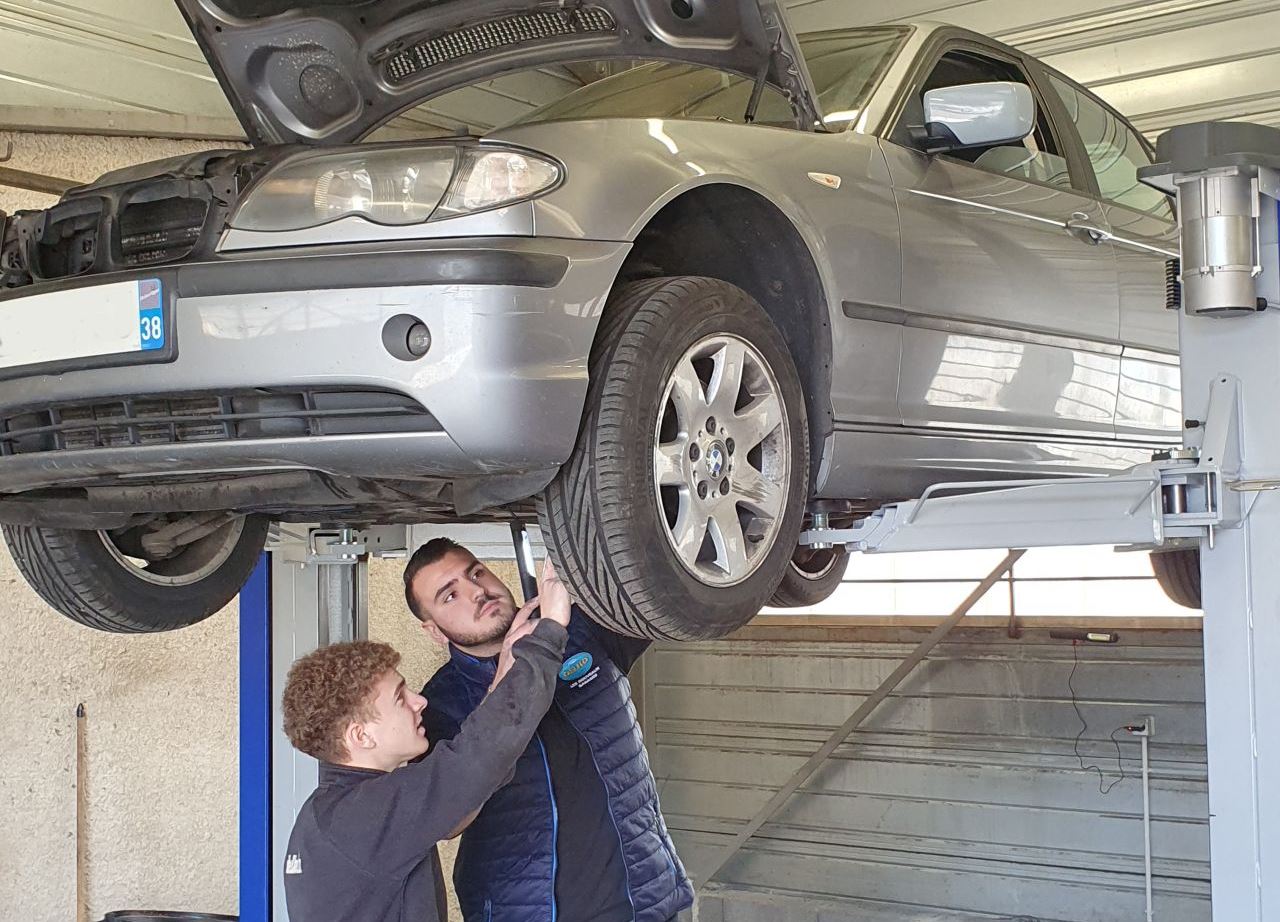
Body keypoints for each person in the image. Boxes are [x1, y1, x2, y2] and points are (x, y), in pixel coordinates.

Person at [404, 538, 695, 922]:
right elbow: (446, 820)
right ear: (434, 631)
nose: (477, 592)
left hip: (646, 899)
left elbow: (669, 595)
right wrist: (510, 679)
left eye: (476, 573)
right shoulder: (438, 706)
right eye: (450, 595)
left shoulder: (581, 630)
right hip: (527, 911)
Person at [280, 558, 573, 922]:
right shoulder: (366, 816)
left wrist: (503, 675)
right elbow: (477, 758)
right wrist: (549, 632)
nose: (419, 701)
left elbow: (464, 788)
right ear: (361, 735)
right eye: (400, 698)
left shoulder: (334, 815)